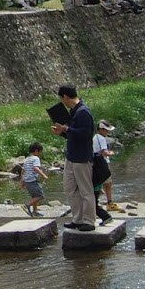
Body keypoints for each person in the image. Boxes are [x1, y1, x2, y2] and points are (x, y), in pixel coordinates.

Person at [51, 84, 97, 232]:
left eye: (62, 98)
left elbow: (86, 133)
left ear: (65, 96)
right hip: (71, 156)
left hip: (82, 157)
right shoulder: (74, 111)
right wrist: (63, 132)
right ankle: (78, 218)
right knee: (70, 188)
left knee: (85, 190)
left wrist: (67, 129)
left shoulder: (83, 111)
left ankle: (89, 221)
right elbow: (72, 133)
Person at [94, 120, 117, 212]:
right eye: (106, 130)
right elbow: (104, 152)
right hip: (102, 163)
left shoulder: (95, 137)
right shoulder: (101, 138)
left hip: (96, 163)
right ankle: (109, 203)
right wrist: (112, 153)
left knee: (99, 185)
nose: (107, 132)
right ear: (101, 129)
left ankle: (95, 201)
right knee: (108, 183)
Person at [22, 142, 47, 216]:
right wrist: (44, 175)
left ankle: (35, 212)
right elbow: (36, 168)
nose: (40, 154)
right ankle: (27, 205)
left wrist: (22, 181)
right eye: (40, 152)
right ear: (36, 151)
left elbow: (23, 170)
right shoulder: (36, 158)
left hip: (27, 181)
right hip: (32, 181)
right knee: (40, 196)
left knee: (34, 196)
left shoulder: (27, 159)